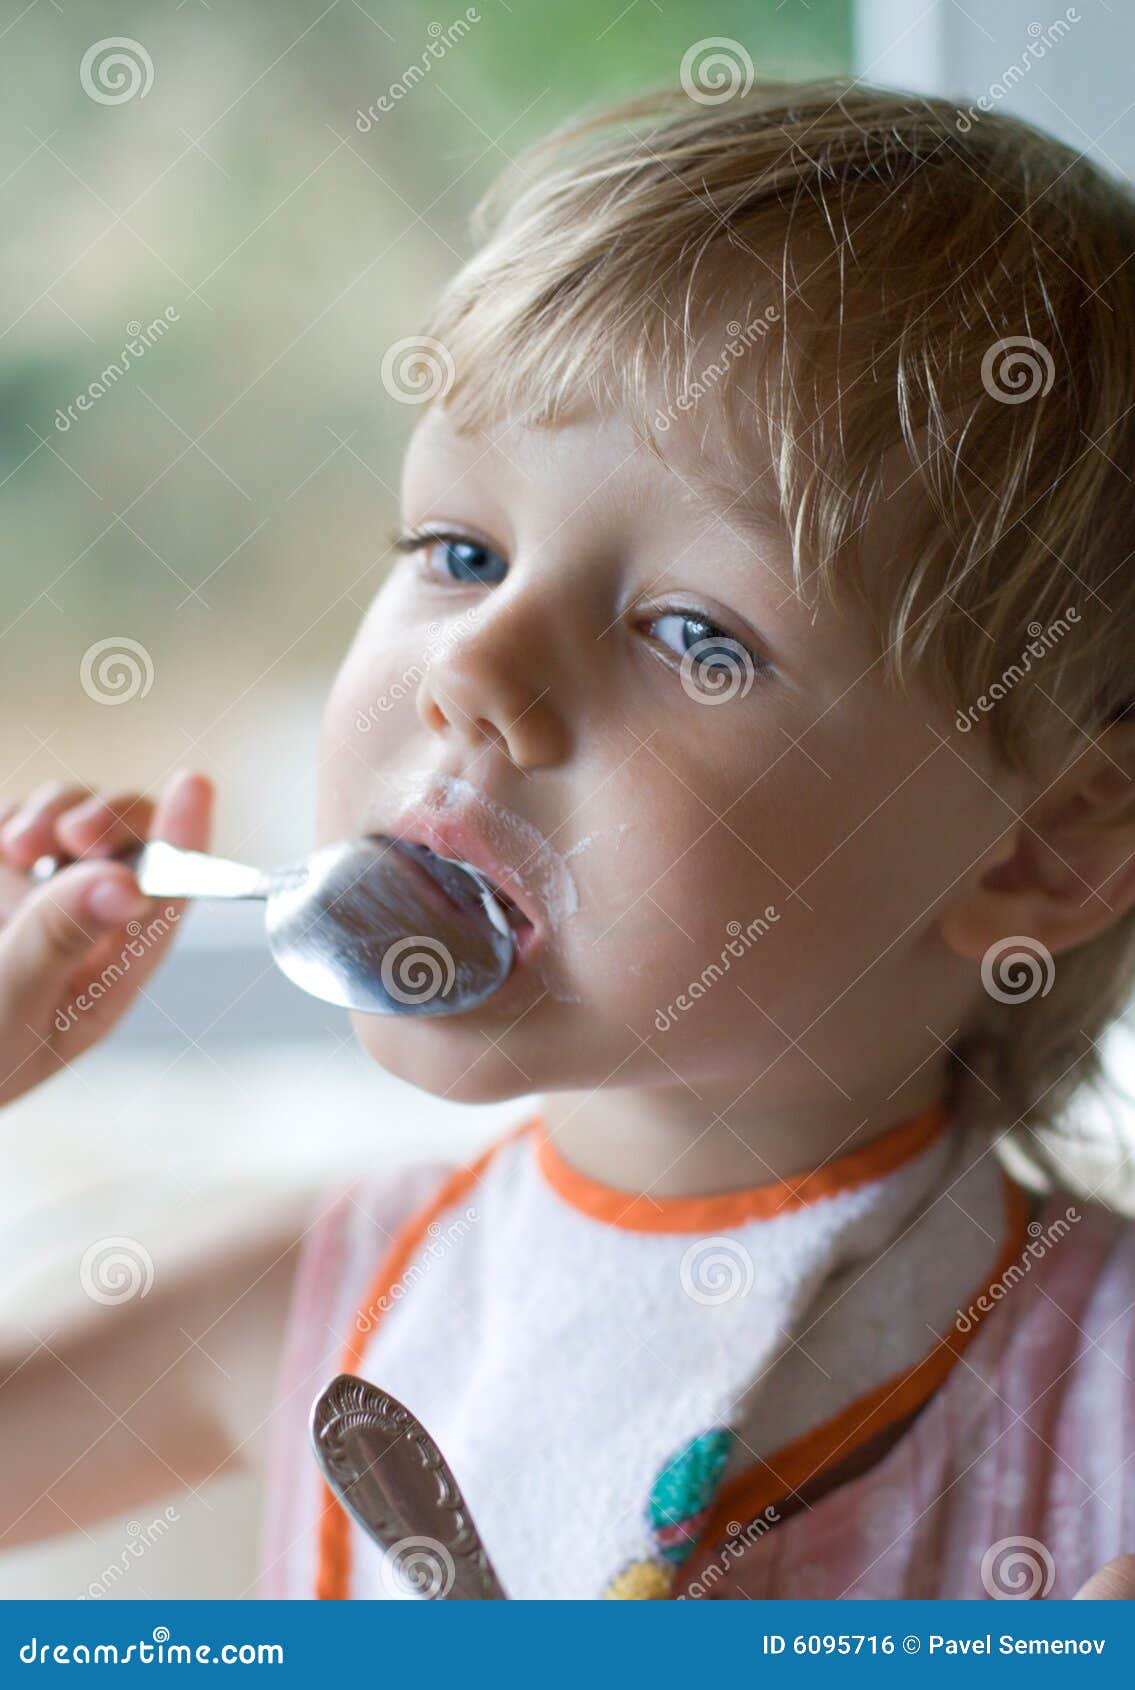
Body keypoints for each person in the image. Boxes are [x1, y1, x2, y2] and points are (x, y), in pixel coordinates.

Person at [3, 78, 1135, 1601]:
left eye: (693, 632)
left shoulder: (1093, 1396)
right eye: (460, 551)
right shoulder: (327, 1296)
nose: (474, 666)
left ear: (1041, 850)